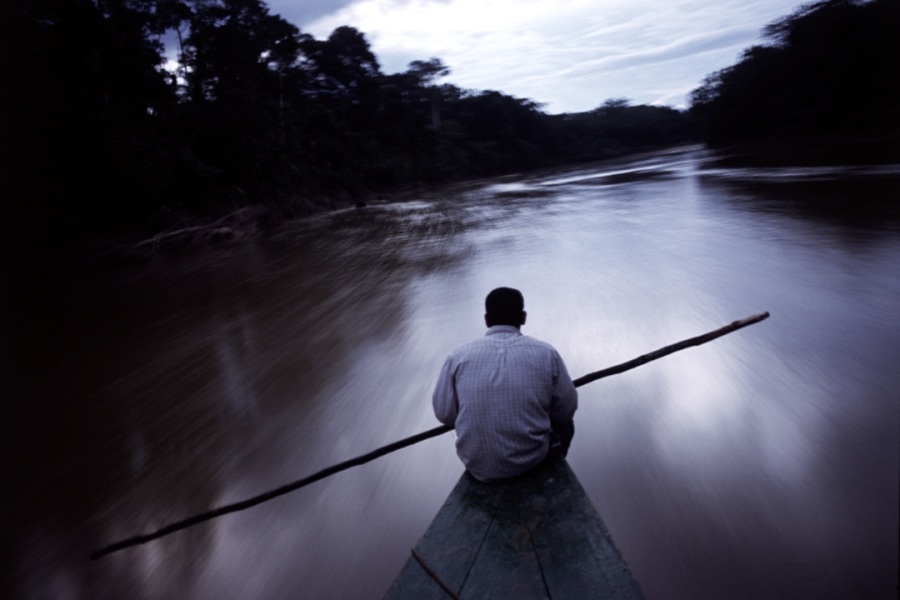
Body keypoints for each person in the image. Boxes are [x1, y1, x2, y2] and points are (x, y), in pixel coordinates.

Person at [432, 287, 578, 482]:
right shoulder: (546, 352)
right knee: (566, 425)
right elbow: (566, 410)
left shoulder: (457, 356)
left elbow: (444, 414)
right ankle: (554, 471)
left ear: (487, 320)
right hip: (532, 461)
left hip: (477, 465)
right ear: (523, 318)